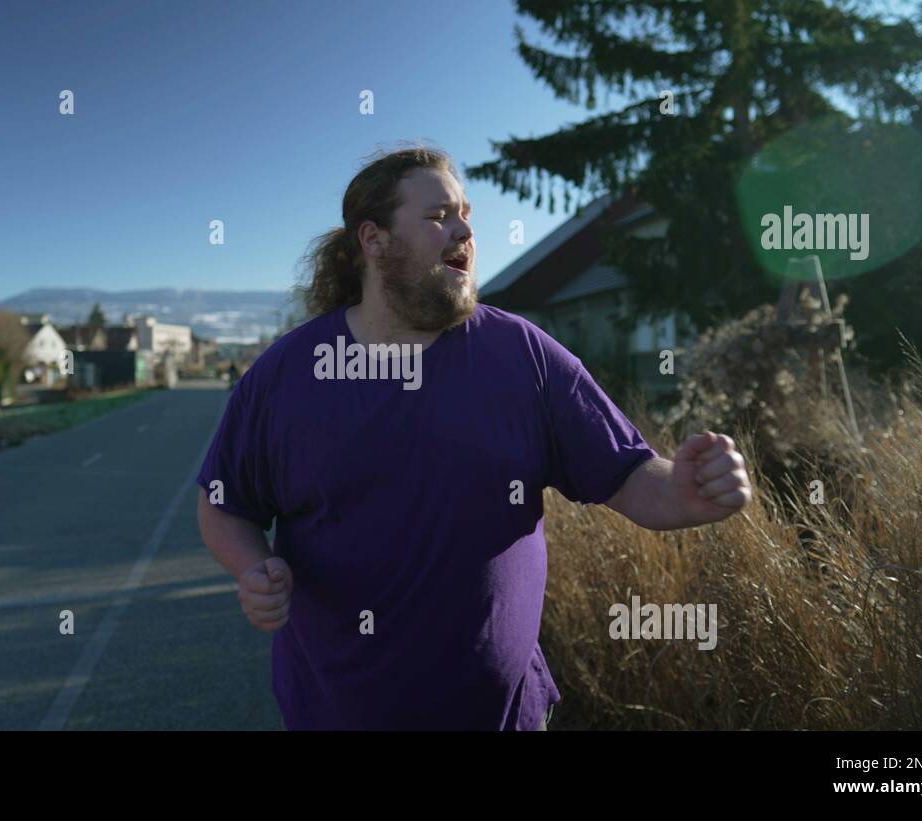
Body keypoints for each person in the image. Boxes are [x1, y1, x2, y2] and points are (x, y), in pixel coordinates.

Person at [195, 144, 752, 731]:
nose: (463, 229)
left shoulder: (522, 355)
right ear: (374, 240)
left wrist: (684, 491)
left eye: (466, 214)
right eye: (439, 216)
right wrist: (253, 568)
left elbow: (630, 476)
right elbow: (223, 504)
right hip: (334, 711)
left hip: (503, 716)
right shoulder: (286, 375)